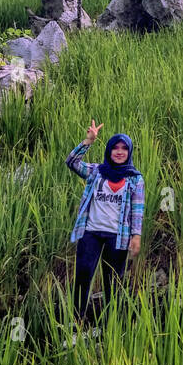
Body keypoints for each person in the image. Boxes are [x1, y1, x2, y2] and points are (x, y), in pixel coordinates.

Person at [65, 121, 144, 321]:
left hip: (117, 237)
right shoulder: (96, 171)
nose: (119, 152)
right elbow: (72, 162)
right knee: (83, 275)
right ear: (109, 150)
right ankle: (76, 321)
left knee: (113, 282)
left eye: (124, 148)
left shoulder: (135, 179)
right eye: (115, 148)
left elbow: (137, 209)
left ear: (129, 152)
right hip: (90, 232)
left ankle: (111, 326)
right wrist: (88, 141)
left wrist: (136, 236)